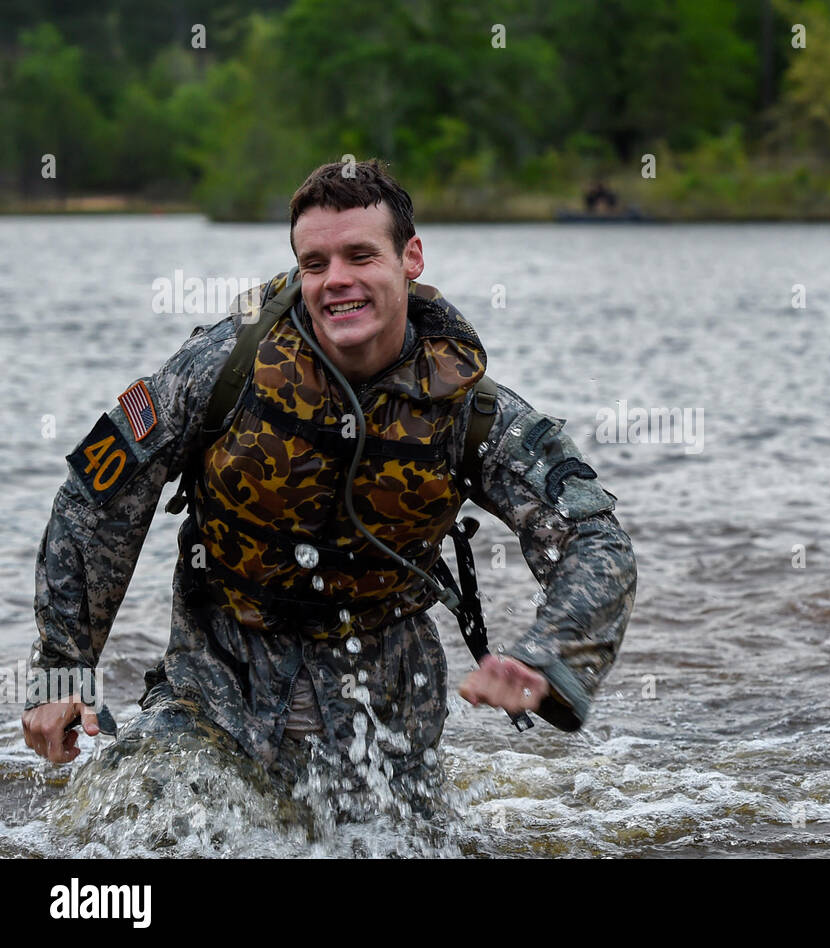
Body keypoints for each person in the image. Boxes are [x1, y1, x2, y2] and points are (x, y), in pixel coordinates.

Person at [22, 159, 637, 806]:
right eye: (315, 264)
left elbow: (593, 540)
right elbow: (97, 497)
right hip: (214, 688)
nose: (336, 281)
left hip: (384, 716)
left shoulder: (471, 413)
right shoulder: (222, 370)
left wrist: (547, 653)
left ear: (412, 258)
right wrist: (62, 671)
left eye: (360, 256)